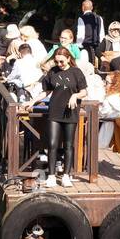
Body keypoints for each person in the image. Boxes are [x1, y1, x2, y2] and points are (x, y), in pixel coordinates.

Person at [39, 47, 87, 188]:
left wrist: (75, 95)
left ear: (68, 59)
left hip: (70, 111)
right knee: (52, 144)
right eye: (56, 61)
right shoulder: (52, 72)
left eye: (61, 61)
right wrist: (32, 101)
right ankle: (52, 176)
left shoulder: (76, 72)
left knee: (68, 144)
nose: (59, 64)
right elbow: (46, 91)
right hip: (55, 110)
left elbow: (84, 91)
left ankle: (66, 175)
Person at [74, 0, 105, 65]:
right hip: (98, 47)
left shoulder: (81, 18)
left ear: (82, 8)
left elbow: (80, 35)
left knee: (87, 66)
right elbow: (102, 34)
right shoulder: (99, 18)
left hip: (86, 47)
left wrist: (78, 47)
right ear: (92, 8)